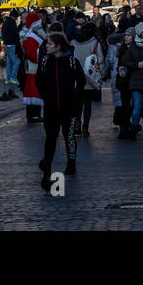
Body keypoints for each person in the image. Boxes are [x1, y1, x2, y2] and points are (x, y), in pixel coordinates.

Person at [36, 33, 86, 186]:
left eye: (49, 44)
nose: (46, 46)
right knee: (50, 138)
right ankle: (47, 170)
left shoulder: (71, 61)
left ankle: (71, 163)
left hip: (69, 108)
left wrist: (75, 97)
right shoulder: (45, 61)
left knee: (69, 136)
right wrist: (46, 96)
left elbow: (81, 81)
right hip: (51, 108)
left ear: (58, 46)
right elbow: (39, 81)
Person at [72, 20, 104, 137]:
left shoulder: (73, 43)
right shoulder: (95, 43)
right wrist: (101, 75)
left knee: (77, 103)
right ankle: (85, 127)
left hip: (76, 77)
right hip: (90, 77)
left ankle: (77, 125)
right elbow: (100, 60)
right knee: (87, 103)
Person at [21, 13, 47, 123]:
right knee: (33, 92)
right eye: (39, 24)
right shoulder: (30, 38)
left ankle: (35, 114)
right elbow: (32, 54)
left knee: (36, 91)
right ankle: (33, 115)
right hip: (33, 68)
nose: (40, 26)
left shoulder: (34, 35)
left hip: (36, 67)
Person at [0, 11, 22, 101]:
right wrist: (17, 50)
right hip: (12, 46)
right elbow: (14, 36)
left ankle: (10, 90)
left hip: (8, 46)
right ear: (15, 17)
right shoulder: (11, 23)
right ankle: (9, 90)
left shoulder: (6, 22)